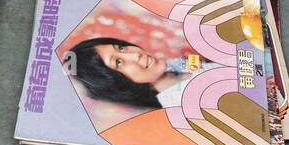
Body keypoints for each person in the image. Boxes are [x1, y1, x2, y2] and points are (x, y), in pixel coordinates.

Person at [66, 36, 215, 109]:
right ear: (118, 85)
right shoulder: (184, 103)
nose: (135, 55)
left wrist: (204, 57)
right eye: (118, 62)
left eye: (121, 48)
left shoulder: (172, 65)